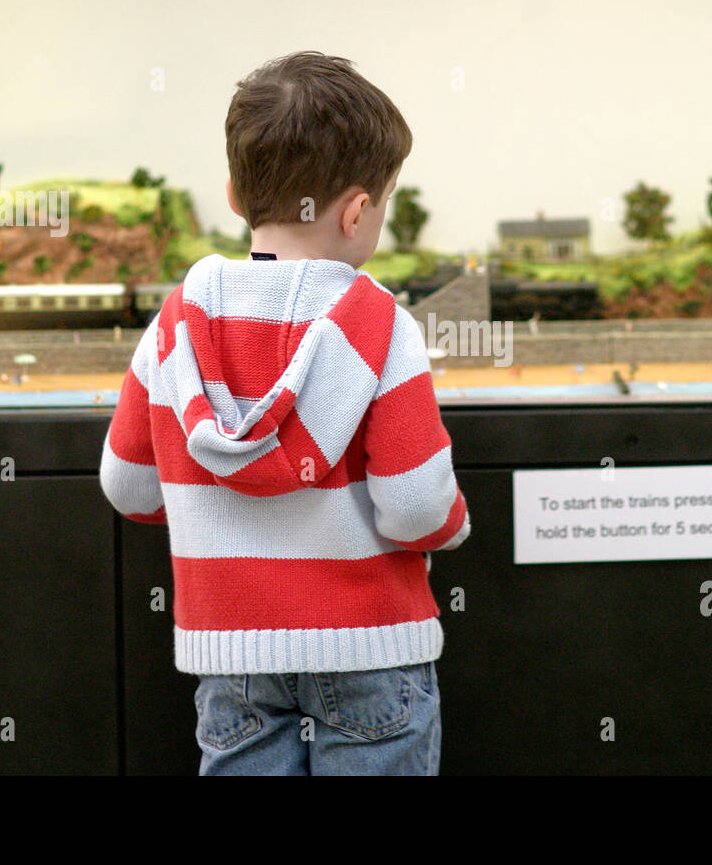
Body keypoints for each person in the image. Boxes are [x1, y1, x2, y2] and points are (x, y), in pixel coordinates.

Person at [99, 52, 470, 776]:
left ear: (235, 195)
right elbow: (417, 506)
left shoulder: (175, 325)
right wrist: (452, 525)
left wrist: (213, 511)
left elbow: (129, 488)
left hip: (232, 659)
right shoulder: (381, 327)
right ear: (359, 210)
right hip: (371, 652)